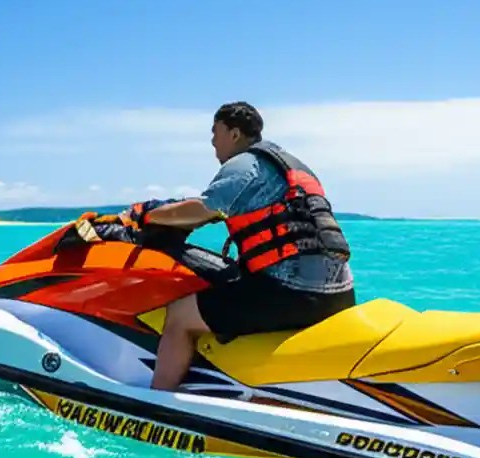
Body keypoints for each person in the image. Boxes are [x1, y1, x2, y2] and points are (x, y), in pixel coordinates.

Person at [127, 101, 355, 391]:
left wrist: (145, 215)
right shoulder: (291, 166)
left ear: (234, 134)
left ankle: (158, 400)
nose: (212, 141)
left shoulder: (244, 165)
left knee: (180, 315)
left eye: (215, 132)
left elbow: (202, 210)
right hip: (340, 293)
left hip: (295, 293)